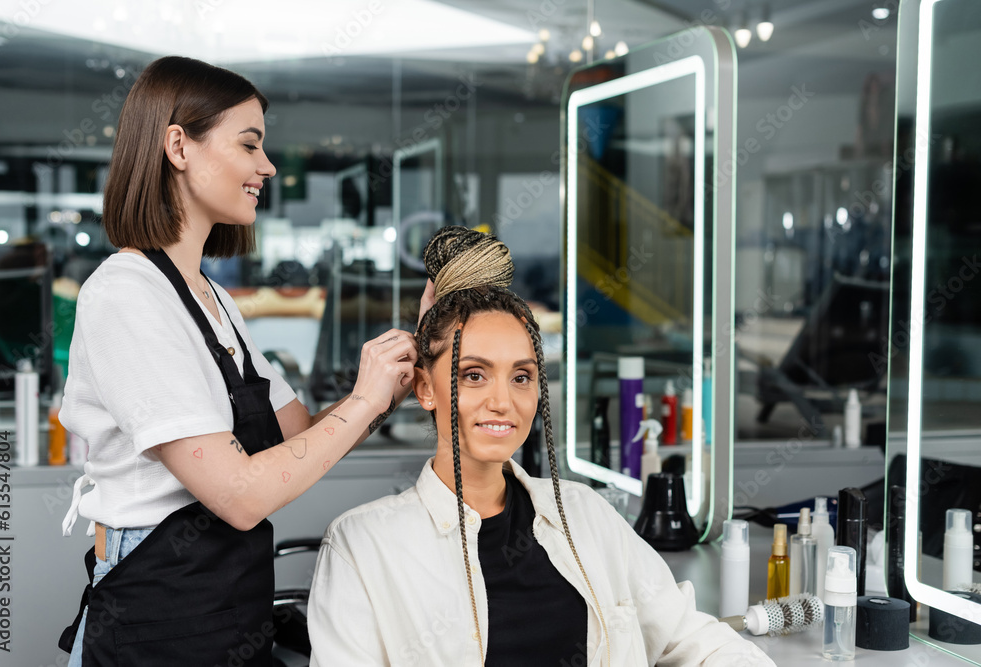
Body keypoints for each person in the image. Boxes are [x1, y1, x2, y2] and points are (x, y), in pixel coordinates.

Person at [58, 55, 426, 666]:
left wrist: (397, 376)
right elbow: (238, 495)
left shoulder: (213, 298)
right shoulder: (126, 294)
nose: (268, 166)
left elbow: (299, 438)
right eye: (249, 144)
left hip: (226, 608)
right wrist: (364, 398)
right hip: (157, 613)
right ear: (178, 145)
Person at [306, 227, 775, 666]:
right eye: (473, 374)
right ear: (425, 388)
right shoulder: (363, 547)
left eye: (522, 376)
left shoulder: (585, 514)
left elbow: (691, 638)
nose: (502, 402)